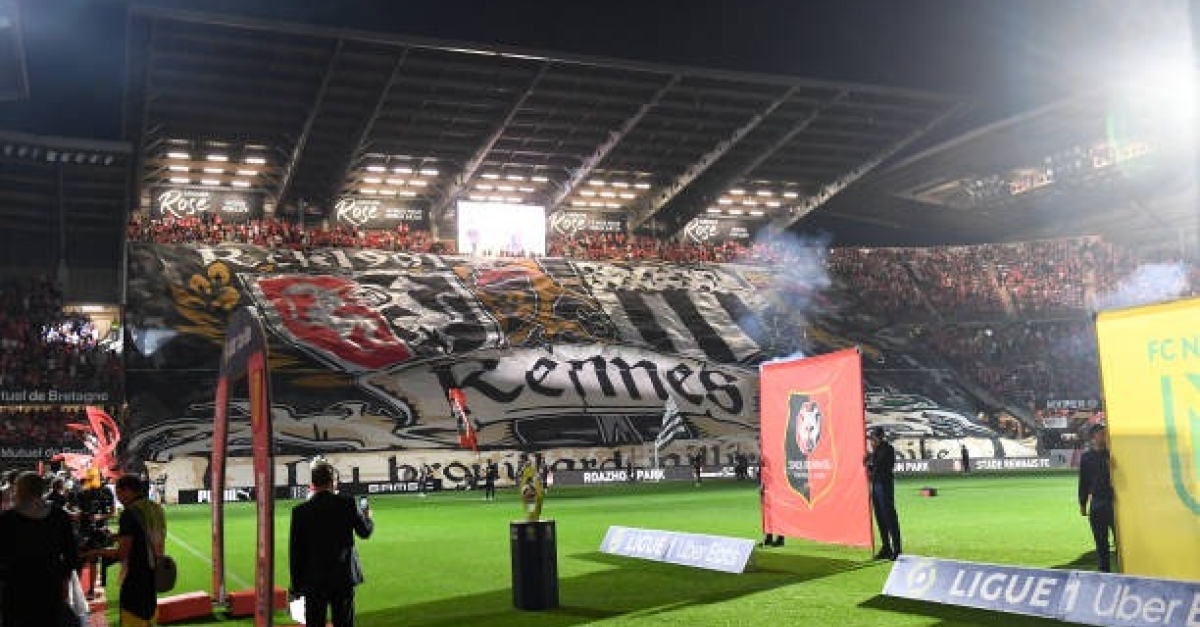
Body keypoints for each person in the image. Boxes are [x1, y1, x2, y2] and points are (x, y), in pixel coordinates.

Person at [290, 461, 374, 627]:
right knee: (344, 623)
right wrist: (368, 517)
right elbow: (365, 532)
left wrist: (296, 585)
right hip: (342, 577)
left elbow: (295, 551)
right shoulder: (348, 504)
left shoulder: (300, 511)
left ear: (313, 484)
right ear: (333, 482)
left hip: (313, 580)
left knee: (314, 622)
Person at [85, 473, 166, 627]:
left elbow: (122, 554)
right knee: (149, 617)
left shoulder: (130, 513)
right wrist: (116, 537)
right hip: (154, 571)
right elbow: (144, 535)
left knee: (133, 617)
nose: (118, 497)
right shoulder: (156, 508)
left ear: (128, 490)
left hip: (135, 576)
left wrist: (95, 552)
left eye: (119, 492)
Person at [0, 471, 80, 627]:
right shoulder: (59, 516)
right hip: (50, 581)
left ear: (20, 491)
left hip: (17, 585)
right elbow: (71, 553)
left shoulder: (7, 519)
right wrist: (65, 578)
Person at [1078, 422, 1115, 572]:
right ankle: (1104, 572)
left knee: (1121, 541)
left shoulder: (1113, 454)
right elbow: (1084, 482)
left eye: (1106, 434)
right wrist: (1082, 503)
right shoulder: (1086, 457)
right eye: (1102, 434)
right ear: (1093, 437)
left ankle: (1126, 570)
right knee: (1101, 541)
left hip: (1115, 502)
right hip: (1097, 503)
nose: (1105, 437)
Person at [865, 426, 902, 560]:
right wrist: (868, 463)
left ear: (879, 438)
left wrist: (870, 460)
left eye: (873, 439)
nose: (871, 442)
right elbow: (873, 469)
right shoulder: (875, 451)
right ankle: (886, 547)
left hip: (884, 486)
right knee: (880, 518)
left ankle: (897, 549)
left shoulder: (887, 449)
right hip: (875, 486)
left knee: (890, 517)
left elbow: (881, 466)